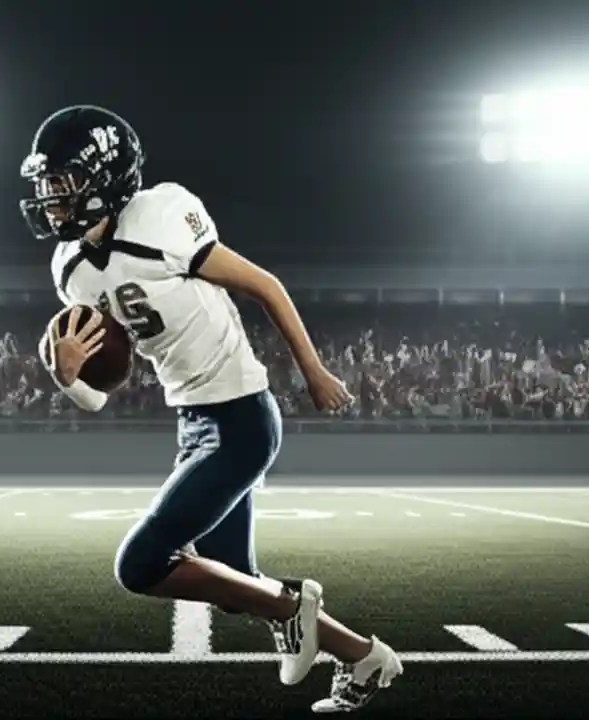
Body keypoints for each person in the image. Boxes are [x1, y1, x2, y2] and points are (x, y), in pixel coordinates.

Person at [23, 105, 403, 713]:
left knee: (141, 565)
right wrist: (66, 375)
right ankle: (366, 658)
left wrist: (314, 371)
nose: (52, 199)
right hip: (195, 423)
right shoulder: (69, 269)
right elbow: (99, 395)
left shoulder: (162, 215)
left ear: (107, 176)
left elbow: (264, 285)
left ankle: (292, 604)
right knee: (233, 585)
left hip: (241, 419)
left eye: (64, 184)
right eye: (48, 187)